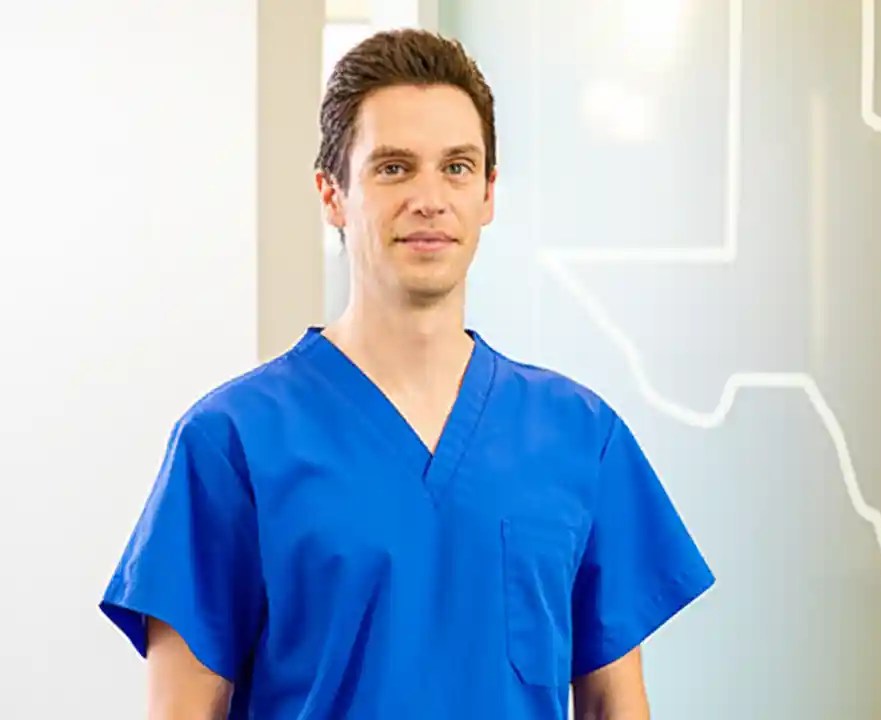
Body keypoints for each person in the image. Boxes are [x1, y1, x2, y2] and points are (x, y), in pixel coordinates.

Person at [99, 29, 715, 719]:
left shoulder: (580, 437)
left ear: (488, 194)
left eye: (456, 167)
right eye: (394, 167)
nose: (430, 197)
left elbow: (614, 705)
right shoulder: (231, 443)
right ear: (332, 195)